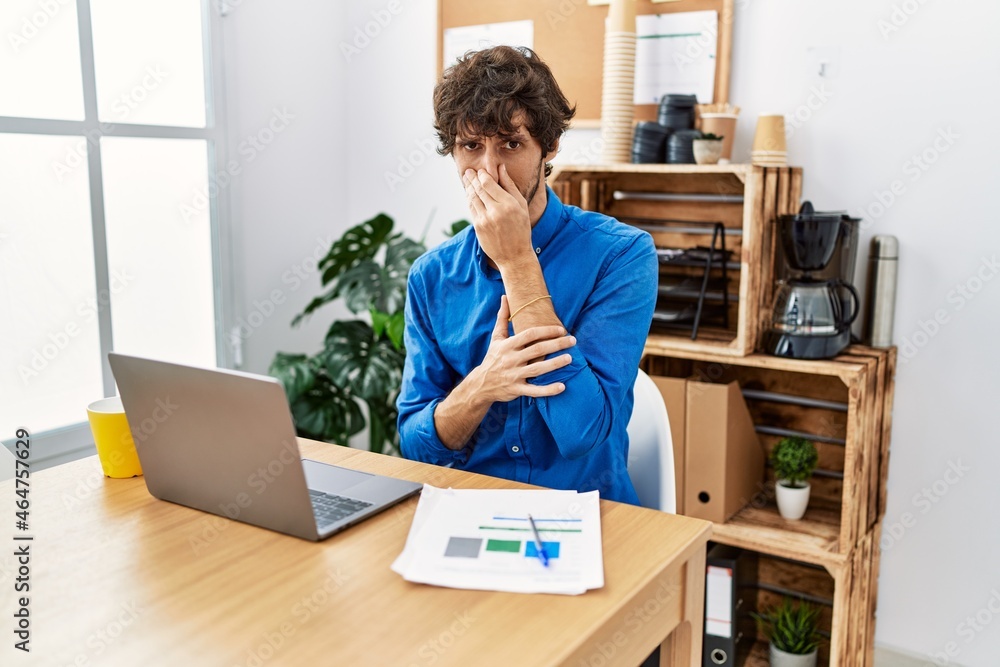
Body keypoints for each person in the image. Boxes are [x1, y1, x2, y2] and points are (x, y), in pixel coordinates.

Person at [397, 46, 657, 504]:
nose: (489, 169)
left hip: (589, 512)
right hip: (472, 509)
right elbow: (417, 449)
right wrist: (482, 385)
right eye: (470, 146)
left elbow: (582, 432)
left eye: (510, 144)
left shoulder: (622, 256)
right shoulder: (431, 277)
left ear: (549, 146)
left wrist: (518, 262)